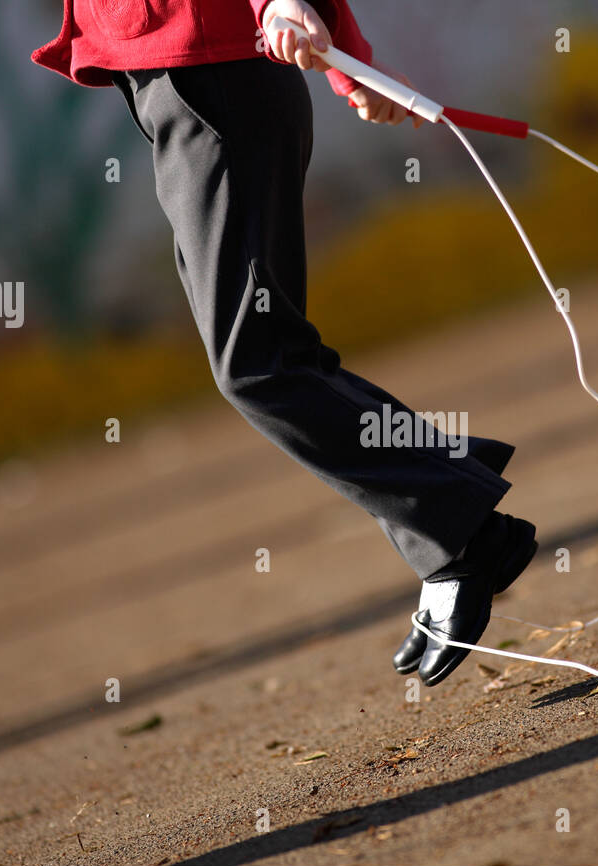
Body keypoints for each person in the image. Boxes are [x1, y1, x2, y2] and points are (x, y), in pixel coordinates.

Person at [32, 0, 536, 685]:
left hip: (212, 82)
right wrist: (350, 58)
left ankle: (462, 532)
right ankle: (458, 528)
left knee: (257, 365)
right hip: (176, 86)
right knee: (276, 358)